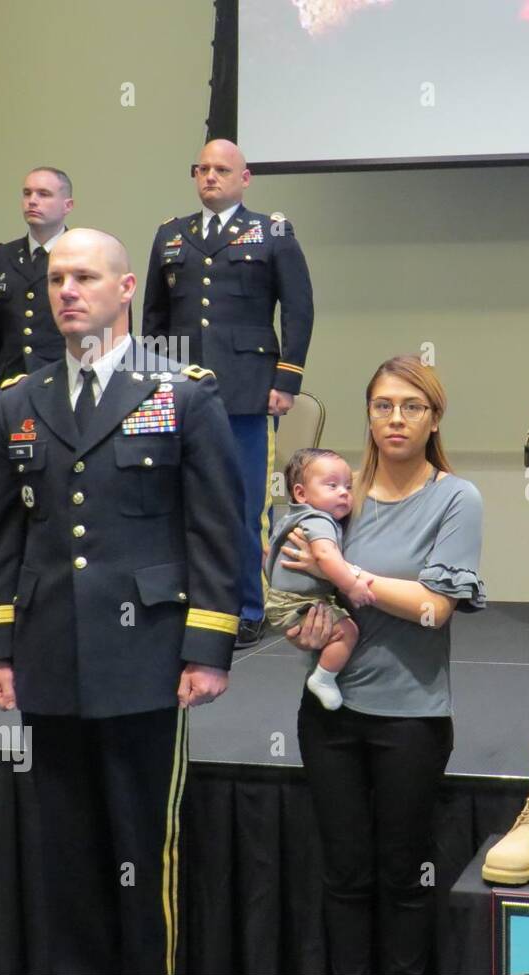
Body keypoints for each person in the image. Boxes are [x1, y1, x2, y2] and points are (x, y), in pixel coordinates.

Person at [0, 228, 243, 974]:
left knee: (142, 850)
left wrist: (207, 647)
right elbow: (2, 537)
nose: (66, 290)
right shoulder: (20, 400)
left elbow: (217, 530)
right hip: (50, 655)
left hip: (147, 656)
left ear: (126, 289)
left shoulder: (181, 390)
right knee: (62, 851)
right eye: (57, 278)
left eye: (85, 277)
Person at [284, 354, 486, 975]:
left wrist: (349, 577)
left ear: (434, 419)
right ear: (368, 416)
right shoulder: (337, 499)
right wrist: (306, 628)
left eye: (412, 406)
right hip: (331, 717)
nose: (395, 418)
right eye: (382, 406)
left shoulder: (456, 498)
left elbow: (434, 607)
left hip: (411, 719)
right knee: (343, 877)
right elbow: (299, 589)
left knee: (404, 878)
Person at [142, 138, 315, 649]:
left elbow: (299, 310)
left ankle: (247, 606)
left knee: (244, 503)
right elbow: (155, 317)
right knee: (172, 498)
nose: (210, 176)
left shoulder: (273, 232)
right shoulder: (171, 235)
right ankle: (187, 600)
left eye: (222, 169)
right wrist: (154, 381)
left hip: (247, 391)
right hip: (178, 390)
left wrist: (286, 380)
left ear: (245, 177)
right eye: (202, 169)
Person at [264, 448, 361, 710]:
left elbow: (268, 556)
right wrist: (351, 584)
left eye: (348, 487)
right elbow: (325, 555)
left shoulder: (291, 518)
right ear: (301, 493)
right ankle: (324, 678)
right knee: (347, 632)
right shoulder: (319, 520)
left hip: (282, 599)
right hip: (297, 601)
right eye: (332, 485)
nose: (343, 492)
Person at [0, 167, 74, 410]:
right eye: (27, 193)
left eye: (44, 194)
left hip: (67, 385)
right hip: (12, 386)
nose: (32, 200)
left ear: (67, 205)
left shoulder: (84, 253)